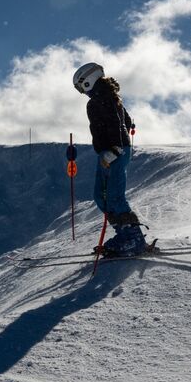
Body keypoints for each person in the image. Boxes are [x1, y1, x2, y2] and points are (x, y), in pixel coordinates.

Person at [73, 62, 147, 256]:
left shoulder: (102, 98)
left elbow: (116, 122)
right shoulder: (107, 97)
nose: (82, 92)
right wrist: (116, 144)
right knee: (101, 196)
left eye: (80, 87)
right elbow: (125, 121)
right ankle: (125, 234)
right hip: (109, 152)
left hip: (114, 151)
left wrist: (115, 148)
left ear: (87, 81)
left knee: (113, 196)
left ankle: (133, 239)